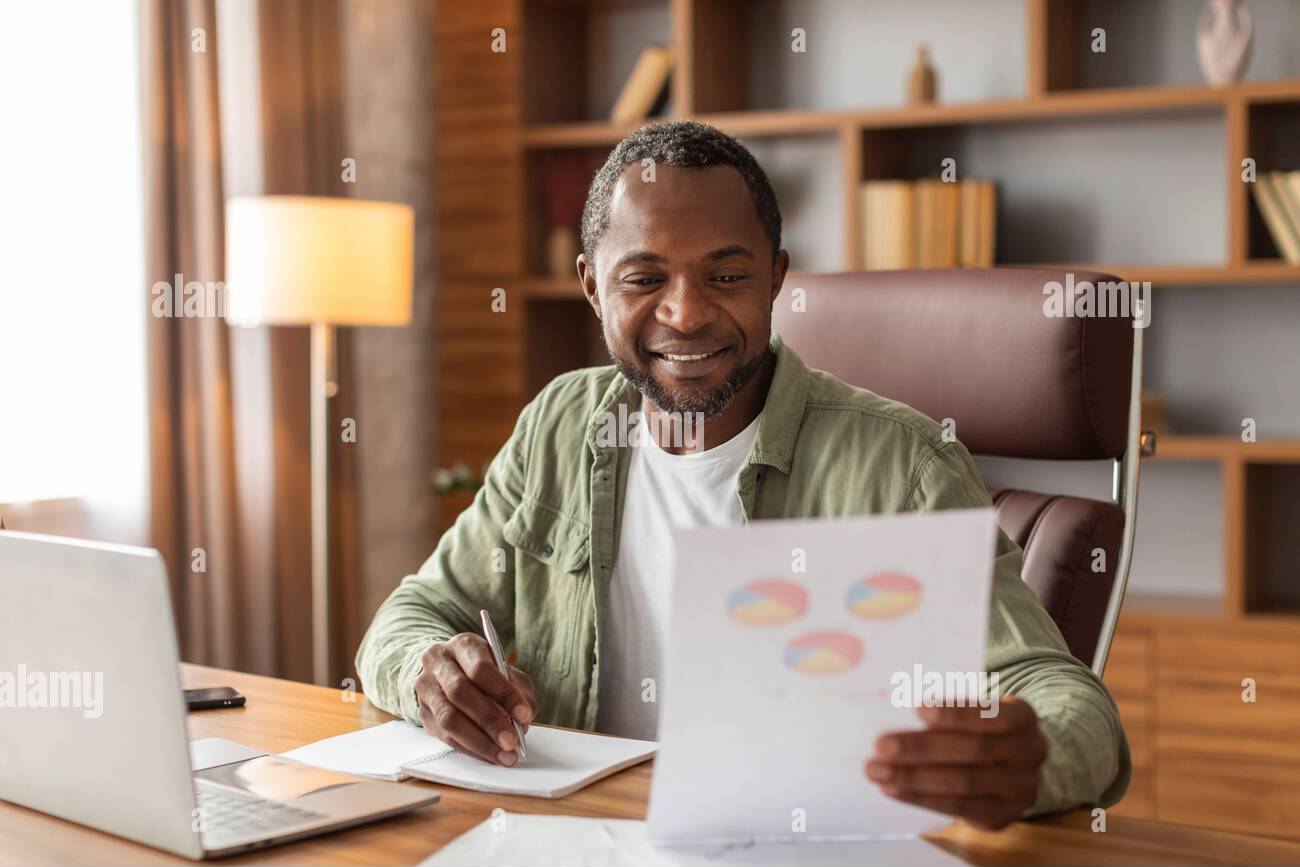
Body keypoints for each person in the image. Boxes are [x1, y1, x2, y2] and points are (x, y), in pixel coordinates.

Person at [356, 120, 1129, 830]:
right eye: (644, 279)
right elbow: (416, 610)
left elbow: (1066, 700)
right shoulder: (561, 424)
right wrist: (428, 672)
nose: (685, 314)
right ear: (593, 287)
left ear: (775, 278)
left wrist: (1031, 758)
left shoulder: (905, 465)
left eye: (725, 277)